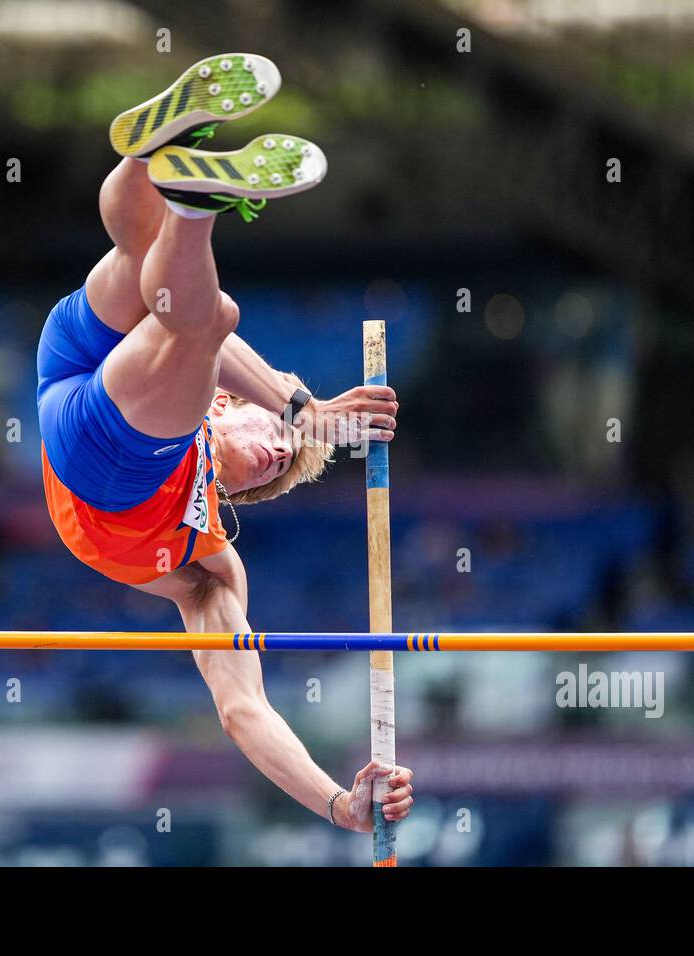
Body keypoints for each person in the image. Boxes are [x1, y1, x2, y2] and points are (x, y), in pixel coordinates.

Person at [36, 53, 413, 833]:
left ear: (232, 501)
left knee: (203, 316)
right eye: (276, 441)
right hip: (75, 368)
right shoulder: (211, 388)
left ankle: (193, 199)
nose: (276, 454)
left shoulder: (207, 563)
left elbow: (243, 710)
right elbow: (208, 342)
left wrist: (339, 805)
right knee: (153, 271)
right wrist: (303, 407)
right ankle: (168, 166)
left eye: (265, 476)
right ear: (237, 407)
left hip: (103, 469)